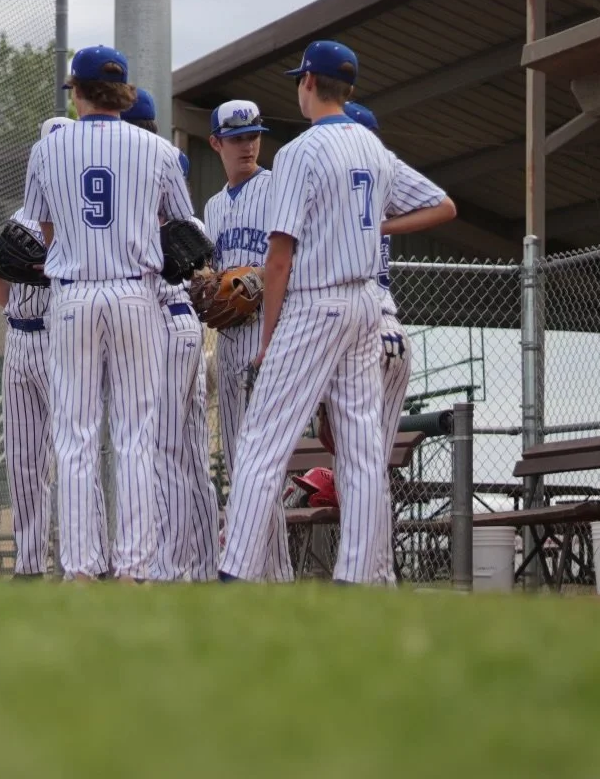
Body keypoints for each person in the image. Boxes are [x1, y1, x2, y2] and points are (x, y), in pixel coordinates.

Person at [218, 41, 450, 584]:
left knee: (261, 442)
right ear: (346, 88)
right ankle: (358, 580)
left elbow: (278, 260)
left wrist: (269, 340)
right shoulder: (372, 145)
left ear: (307, 83)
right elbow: (443, 204)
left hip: (315, 302)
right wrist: (379, 227)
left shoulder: (300, 152)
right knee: (364, 451)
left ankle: (235, 576)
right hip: (368, 303)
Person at [22, 45, 193, 582]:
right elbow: (183, 231)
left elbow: (40, 228)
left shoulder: (47, 150)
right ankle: (135, 567)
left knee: (74, 436)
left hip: (71, 293)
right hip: (136, 295)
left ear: (76, 91)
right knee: (135, 435)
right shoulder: (158, 149)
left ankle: (79, 568)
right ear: (122, 92)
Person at [331, 100, 456, 584]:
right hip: (393, 334)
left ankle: (370, 574)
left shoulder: (339, 195)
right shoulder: (379, 189)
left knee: (360, 470)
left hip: (361, 333)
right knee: (371, 467)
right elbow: (439, 206)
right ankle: (378, 573)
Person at [121, 89, 223, 582]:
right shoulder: (190, 216)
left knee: (160, 452)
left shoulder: (138, 200)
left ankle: (167, 567)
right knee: (189, 457)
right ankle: (201, 567)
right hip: (189, 329)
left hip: (164, 326)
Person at [201, 99, 293, 584]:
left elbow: (298, 253)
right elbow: (210, 278)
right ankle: (261, 575)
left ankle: (275, 577)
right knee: (242, 466)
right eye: (237, 137)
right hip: (230, 339)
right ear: (216, 142)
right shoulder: (214, 207)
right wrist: (206, 287)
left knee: (262, 466)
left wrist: (257, 276)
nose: (248, 144)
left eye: (254, 134)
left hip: (270, 336)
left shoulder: (277, 186)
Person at [0, 116, 73, 579]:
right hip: (17, 338)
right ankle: (28, 565)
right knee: (23, 462)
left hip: (58, 338)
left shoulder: (78, 220)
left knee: (70, 455)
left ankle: (80, 561)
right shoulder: (19, 220)